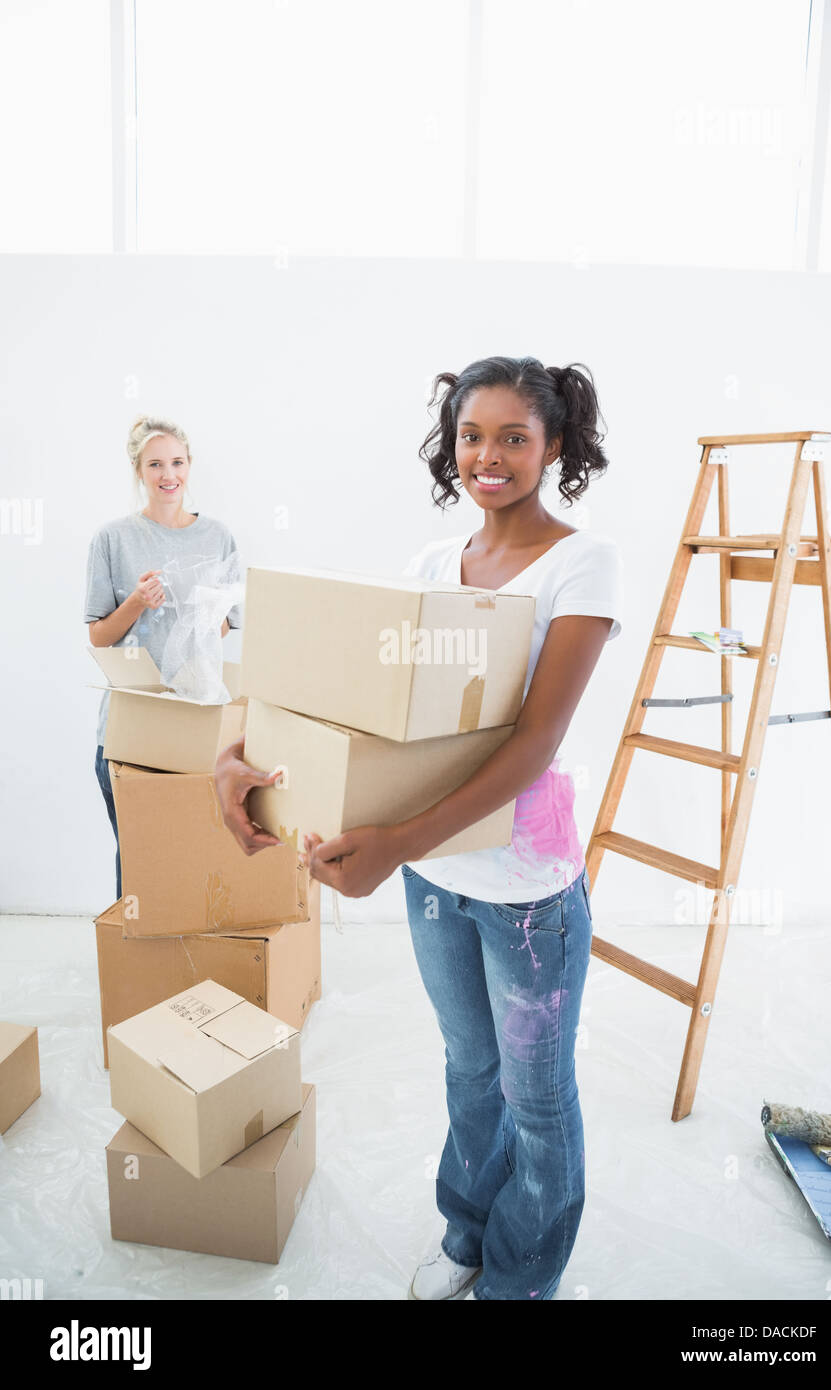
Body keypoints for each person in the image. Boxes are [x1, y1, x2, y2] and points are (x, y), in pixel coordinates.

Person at [215, 356, 623, 1300]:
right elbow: (351, 698)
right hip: (439, 876)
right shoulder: (435, 567)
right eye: (471, 435)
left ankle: (523, 1275)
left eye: (514, 437)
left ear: (552, 445)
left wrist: (395, 840)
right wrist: (243, 754)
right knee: (469, 1068)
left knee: (536, 1098)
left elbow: (534, 741)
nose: (488, 456)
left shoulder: (583, 563)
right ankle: (467, 1234)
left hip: (526, 892)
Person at [85, 414, 242, 900]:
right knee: (140, 859)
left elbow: (224, 624)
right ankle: (137, 967)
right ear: (139, 471)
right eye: (155, 464)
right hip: (132, 725)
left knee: (196, 859)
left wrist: (200, 618)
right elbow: (99, 636)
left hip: (198, 721)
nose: (167, 474)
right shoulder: (112, 538)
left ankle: (191, 963)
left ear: (190, 465)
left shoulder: (218, 537)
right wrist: (136, 603)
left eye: (176, 462)